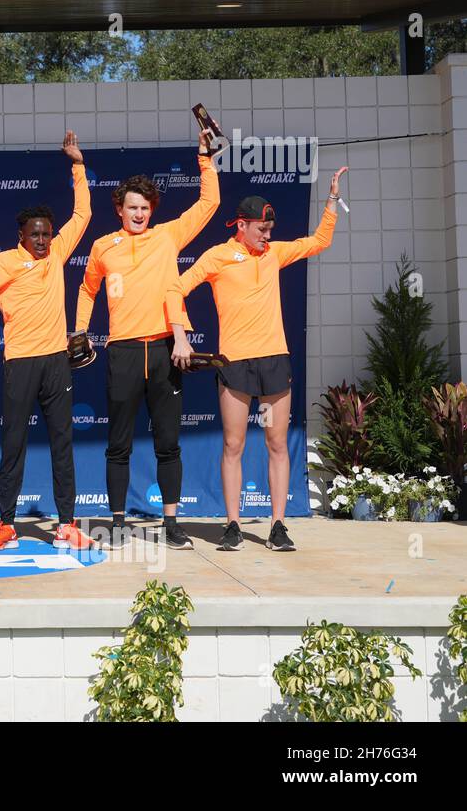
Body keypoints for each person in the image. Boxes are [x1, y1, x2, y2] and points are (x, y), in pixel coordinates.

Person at [171, 167, 347, 552]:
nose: (267, 236)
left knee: (276, 443)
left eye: (270, 230)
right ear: (241, 225)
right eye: (261, 230)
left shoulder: (274, 254)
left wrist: (331, 200)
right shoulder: (217, 256)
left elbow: (319, 241)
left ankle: (278, 525)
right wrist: (180, 332)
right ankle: (232, 524)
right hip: (234, 365)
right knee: (233, 445)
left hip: (273, 363)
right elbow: (175, 288)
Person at [75, 128, 221, 550]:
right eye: (131, 207)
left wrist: (203, 158)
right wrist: (82, 329)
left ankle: (172, 523)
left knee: (168, 443)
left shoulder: (168, 235)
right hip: (121, 351)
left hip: (163, 349)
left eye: (145, 208)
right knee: (117, 445)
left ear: (152, 210)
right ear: (120, 209)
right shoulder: (104, 247)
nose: (138, 214)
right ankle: (118, 521)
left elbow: (209, 203)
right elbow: (86, 289)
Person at [0, 132, 93, 551]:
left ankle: (66, 524)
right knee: (13, 444)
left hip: (55, 362)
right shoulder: (5, 263)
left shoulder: (57, 253)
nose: (43, 240)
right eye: (35, 234)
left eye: (47, 234)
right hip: (19, 363)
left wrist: (78, 165)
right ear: (21, 234)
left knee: (61, 443)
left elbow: (82, 215)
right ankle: (6, 524)